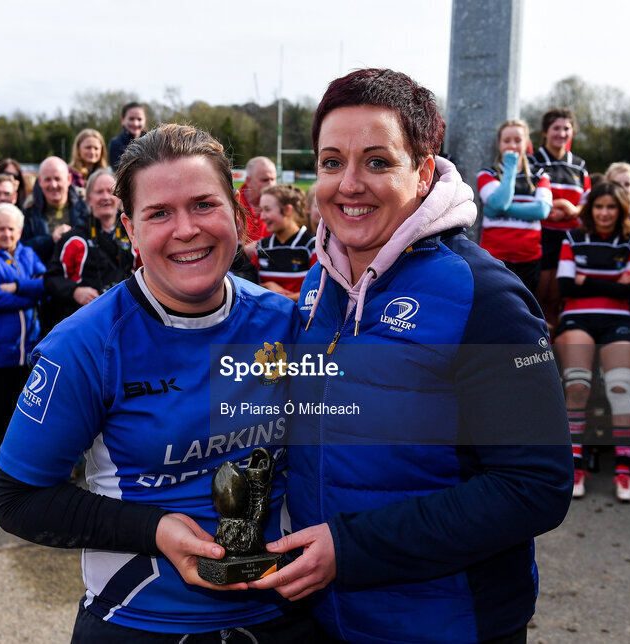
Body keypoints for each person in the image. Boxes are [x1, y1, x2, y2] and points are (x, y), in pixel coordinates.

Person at [250, 68, 572, 643]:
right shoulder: (321, 284)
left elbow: (535, 486)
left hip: (449, 625)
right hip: (326, 619)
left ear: (423, 173)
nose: (349, 184)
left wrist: (352, 549)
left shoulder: (486, 295)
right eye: (331, 162)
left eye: (377, 161)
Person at [0, 124, 310, 641]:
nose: (186, 229)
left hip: (283, 615)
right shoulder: (83, 345)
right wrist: (156, 530)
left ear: (237, 212)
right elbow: (18, 500)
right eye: (159, 213)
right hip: (138, 620)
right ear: (131, 230)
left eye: (204, 204)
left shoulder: (286, 323)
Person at [552, 182, 630, 502]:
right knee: (578, 387)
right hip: (577, 320)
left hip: (618, 321)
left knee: (620, 389)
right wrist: (612, 282)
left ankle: (622, 472)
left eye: (612, 207)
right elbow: (566, 287)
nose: (605, 213)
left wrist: (585, 280)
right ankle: (575, 468)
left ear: (621, 210)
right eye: (599, 207)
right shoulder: (574, 237)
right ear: (590, 210)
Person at [0, 203, 45, 455]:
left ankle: (19, 455)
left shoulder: (27, 253)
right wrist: (30, 292)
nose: (6, 234)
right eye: (0, 229)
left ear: (20, 231)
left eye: (11, 229)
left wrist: (14, 286)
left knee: (23, 406)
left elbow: (46, 286)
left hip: (27, 348)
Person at [43, 168, 133, 325]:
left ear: (119, 198)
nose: (105, 197)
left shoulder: (133, 234)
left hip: (124, 320)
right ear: (89, 199)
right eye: (99, 192)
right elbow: (51, 279)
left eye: (110, 191)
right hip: (85, 323)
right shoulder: (73, 238)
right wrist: (75, 291)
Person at [530, 108, 591, 330]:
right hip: (539, 237)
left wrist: (571, 210)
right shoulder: (532, 162)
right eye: (556, 128)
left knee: (556, 300)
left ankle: (553, 354)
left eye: (566, 128)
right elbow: (524, 196)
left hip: (568, 239)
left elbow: (587, 203)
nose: (561, 133)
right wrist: (551, 207)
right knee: (537, 299)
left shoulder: (579, 166)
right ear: (545, 132)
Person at [477, 119, 553, 293]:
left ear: (527, 144)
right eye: (506, 141)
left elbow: (542, 210)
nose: (512, 145)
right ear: (499, 144)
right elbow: (500, 201)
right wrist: (510, 167)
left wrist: (498, 210)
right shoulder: (488, 174)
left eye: (518, 141)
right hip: (494, 258)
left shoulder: (540, 176)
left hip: (529, 259)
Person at [252, 184, 315, 300]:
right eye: (261, 210)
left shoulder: (312, 246)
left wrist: (281, 298)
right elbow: (249, 288)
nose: (262, 216)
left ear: (287, 210)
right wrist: (266, 285)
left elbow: (319, 292)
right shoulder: (261, 247)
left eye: (267, 210)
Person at [22, 156, 88, 263]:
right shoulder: (29, 213)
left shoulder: (86, 208)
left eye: (57, 179)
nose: (53, 185)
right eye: (48, 179)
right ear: (40, 181)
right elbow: (22, 249)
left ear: (69, 179)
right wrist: (50, 240)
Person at [236, 157, 276, 243]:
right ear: (248, 181)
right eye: (265, 180)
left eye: (273, 179)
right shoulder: (231, 205)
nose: (271, 185)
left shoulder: (282, 206)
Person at [107, 102, 147, 171]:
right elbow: (118, 170)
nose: (135, 123)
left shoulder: (152, 140)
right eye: (131, 119)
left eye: (139, 119)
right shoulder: (115, 143)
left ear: (145, 120)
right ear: (123, 121)